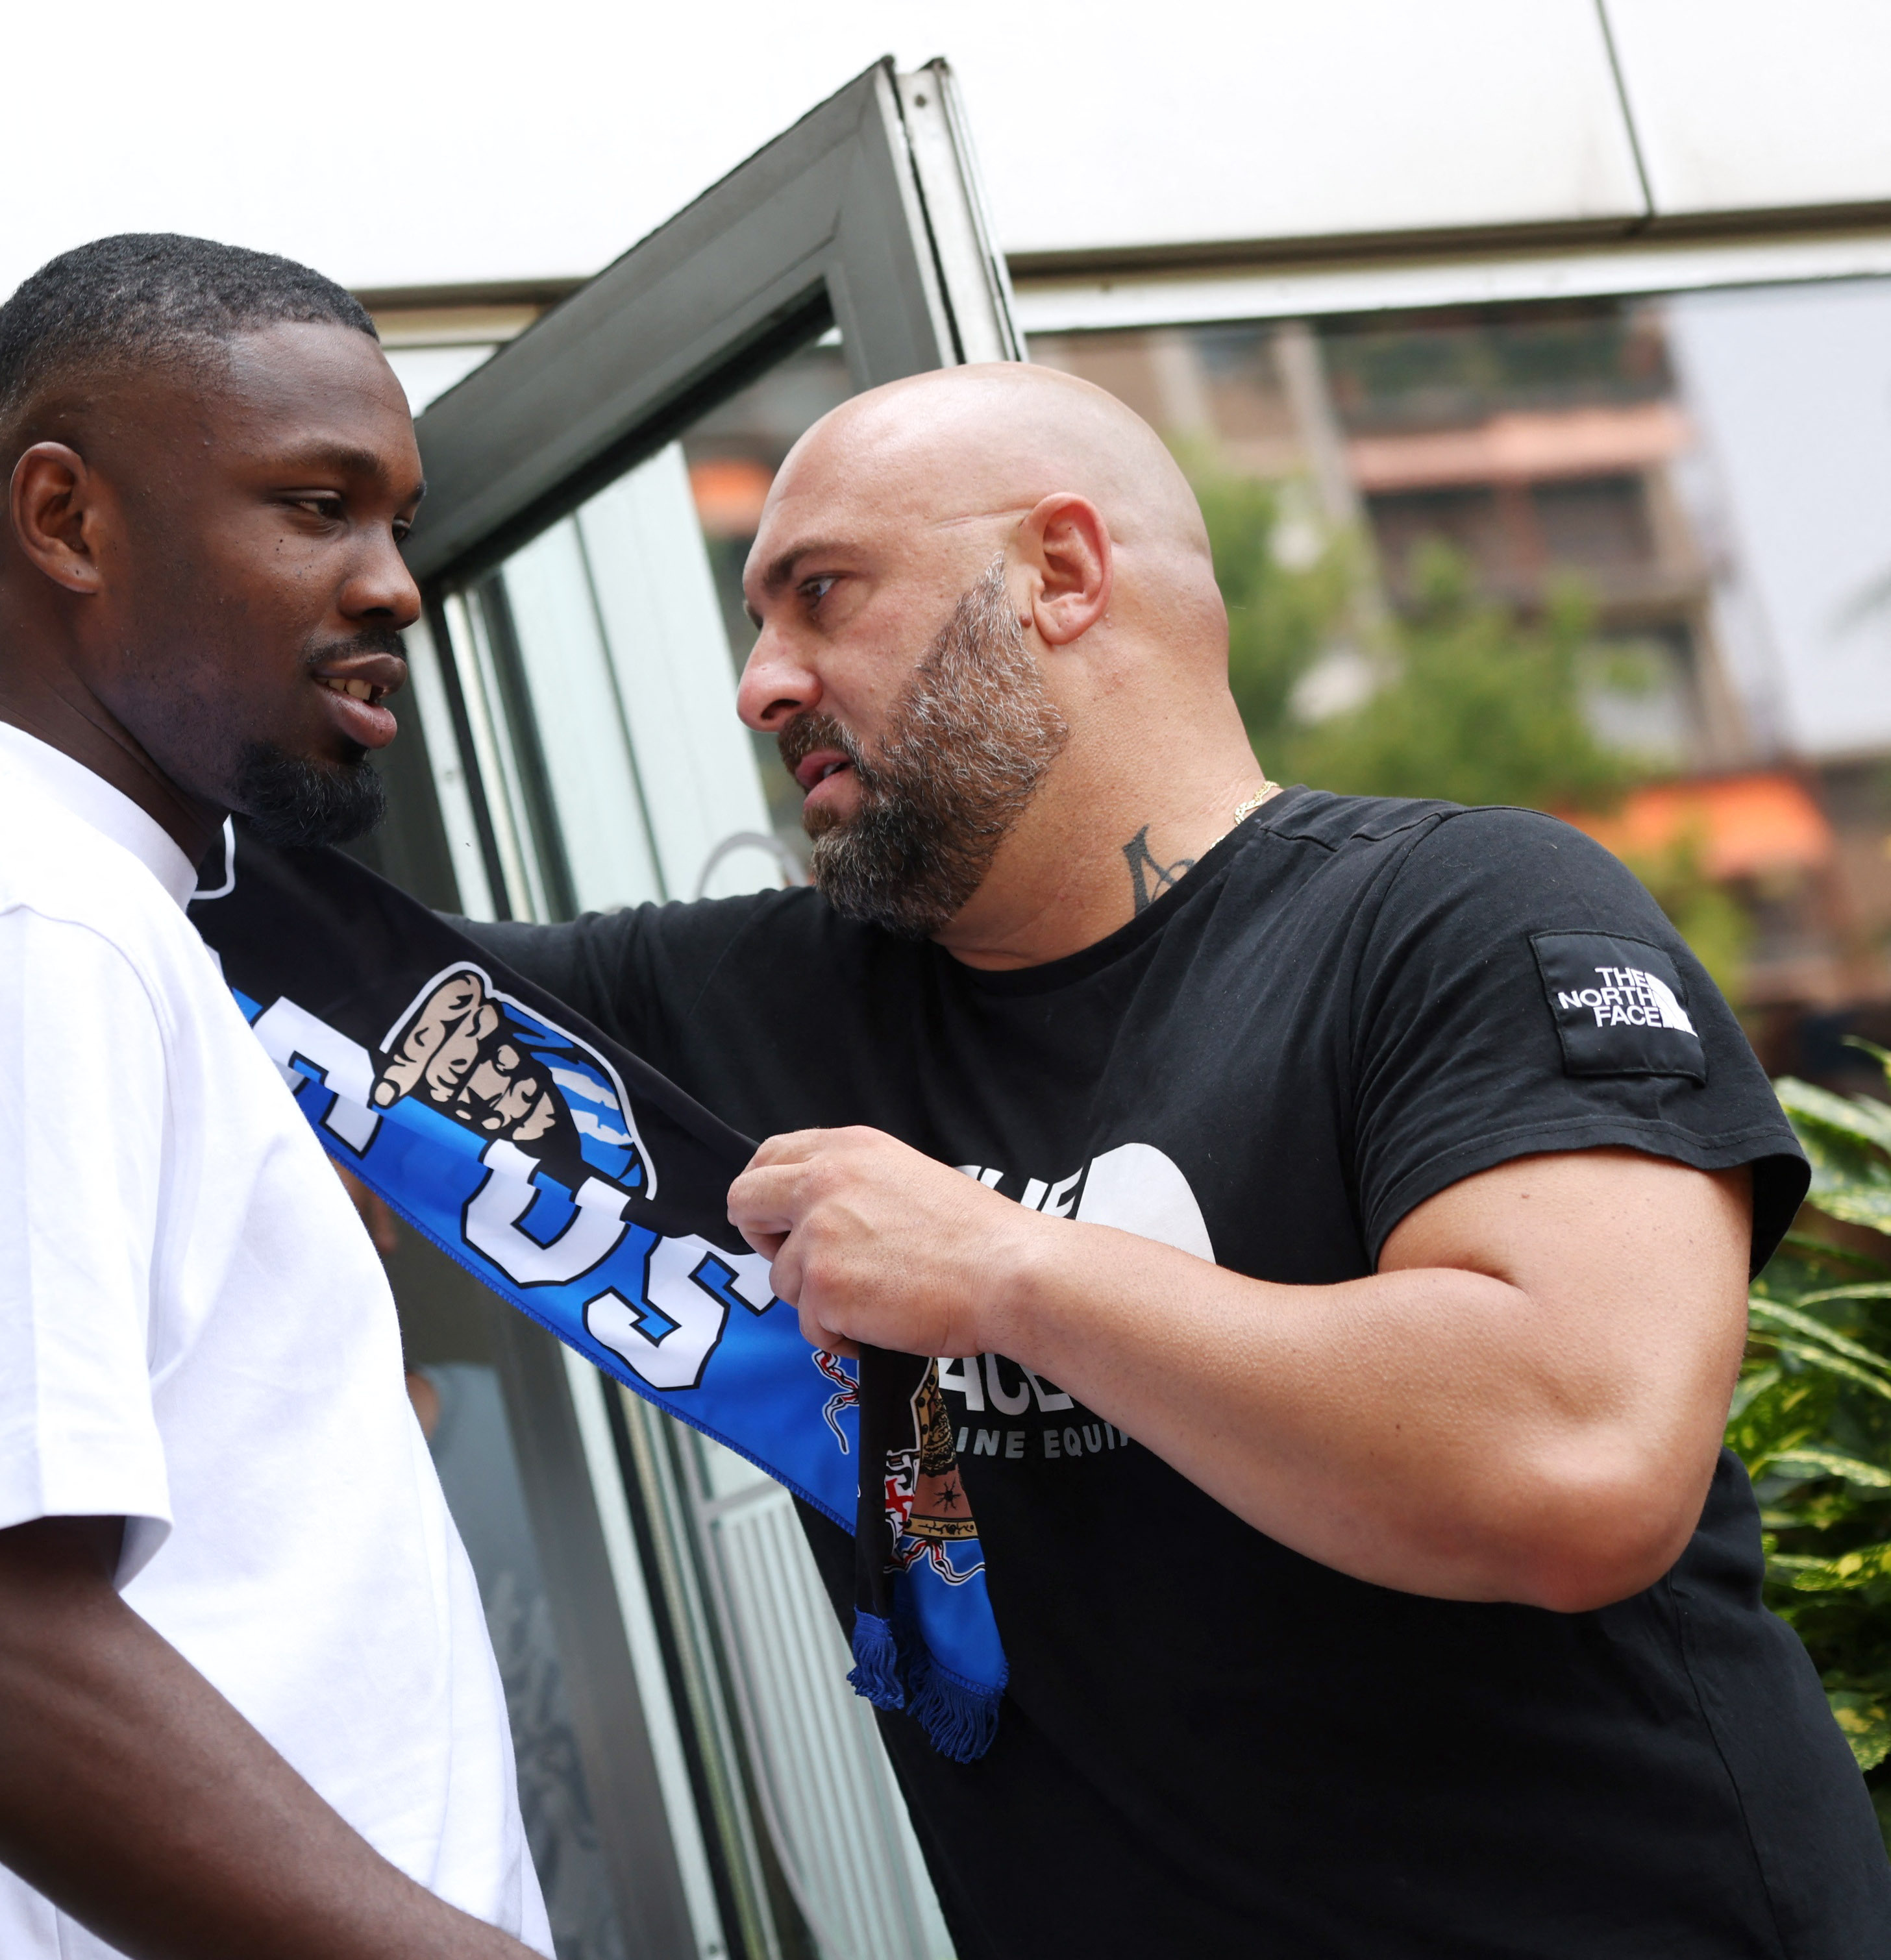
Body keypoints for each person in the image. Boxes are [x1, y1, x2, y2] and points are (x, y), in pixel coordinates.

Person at [461, 361, 1891, 1954]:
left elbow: (1576, 1456)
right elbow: (278, 974)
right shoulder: (755, 1001)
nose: (760, 681)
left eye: (819, 595)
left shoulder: (1457, 913)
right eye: (755, 618)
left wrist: (1005, 1268)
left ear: (1060, 574)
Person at [0, 236, 545, 1960]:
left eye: (395, 515)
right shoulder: (20, 917)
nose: (394, 580)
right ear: (67, 520)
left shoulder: (65, 914)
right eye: (315, 504)